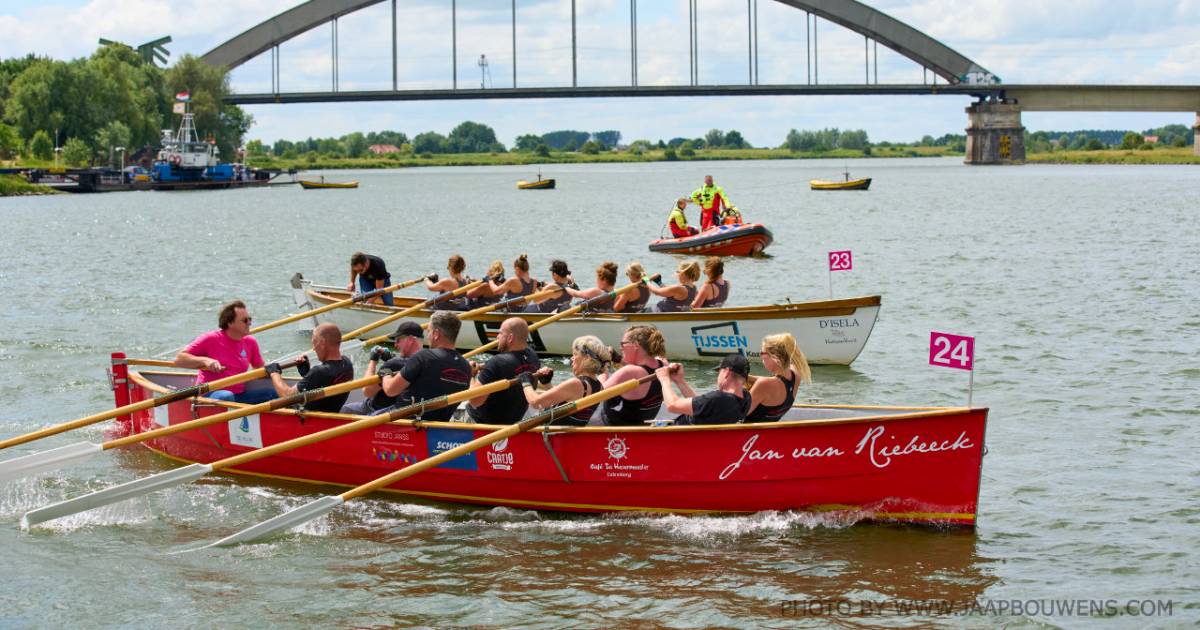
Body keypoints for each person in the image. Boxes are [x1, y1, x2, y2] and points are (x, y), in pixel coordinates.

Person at [378, 311, 472, 420]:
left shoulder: (423, 357)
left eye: (429, 331)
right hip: (438, 425)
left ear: (436, 334)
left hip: (403, 421)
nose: (428, 336)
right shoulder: (466, 367)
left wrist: (386, 372)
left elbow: (390, 390)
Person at [174, 300, 271, 404]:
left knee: (272, 393)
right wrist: (206, 360)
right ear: (230, 323)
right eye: (245, 320)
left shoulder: (250, 341)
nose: (249, 323)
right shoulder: (210, 339)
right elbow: (179, 359)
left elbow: (260, 370)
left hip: (238, 394)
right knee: (226, 396)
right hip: (210, 393)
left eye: (249, 319)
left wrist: (273, 370)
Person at [522, 336, 614, 426]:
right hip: (565, 434)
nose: (572, 358)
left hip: (551, 434)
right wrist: (547, 384)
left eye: (575, 354)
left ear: (587, 358)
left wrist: (525, 381)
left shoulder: (576, 384)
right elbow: (567, 400)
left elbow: (536, 403)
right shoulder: (599, 386)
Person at [265, 323, 355, 413]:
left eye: (314, 343)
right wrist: (307, 373)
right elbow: (325, 382)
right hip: (330, 412)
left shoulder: (319, 372)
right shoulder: (347, 364)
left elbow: (287, 396)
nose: (314, 348)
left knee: (268, 396)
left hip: (308, 417)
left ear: (322, 342)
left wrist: (274, 372)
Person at [339, 321, 424, 415]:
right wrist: (391, 358)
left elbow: (367, 391)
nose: (395, 345)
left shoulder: (393, 364)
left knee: (344, 409)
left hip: (375, 410)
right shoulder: (426, 361)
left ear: (410, 340)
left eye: (398, 340)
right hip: (404, 411)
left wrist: (373, 360)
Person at [466, 317, 540, 424]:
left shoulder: (497, 362)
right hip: (514, 420)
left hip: (486, 423)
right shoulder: (533, 357)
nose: (497, 337)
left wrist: (471, 375)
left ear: (510, 338)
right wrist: (485, 367)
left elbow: (474, 401)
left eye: (500, 333)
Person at [600, 325, 668, 426]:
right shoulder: (663, 364)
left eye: (622, 344)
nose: (620, 348)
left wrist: (603, 366)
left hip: (613, 427)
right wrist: (618, 359)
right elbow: (643, 370)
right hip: (641, 425)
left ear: (635, 345)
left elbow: (596, 394)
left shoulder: (629, 372)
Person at [657, 353, 751, 425]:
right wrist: (679, 381)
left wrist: (664, 379)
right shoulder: (746, 398)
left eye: (719, 372)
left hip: (678, 438)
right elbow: (701, 406)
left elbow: (672, 405)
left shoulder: (719, 399)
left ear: (726, 372)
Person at [745, 333, 812, 423]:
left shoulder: (763, 385)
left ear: (775, 356)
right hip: (769, 429)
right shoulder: (796, 374)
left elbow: (739, 415)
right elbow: (773, 382)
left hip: (748, 431)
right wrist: (746, 378)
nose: (760, 356)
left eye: (762, 353)